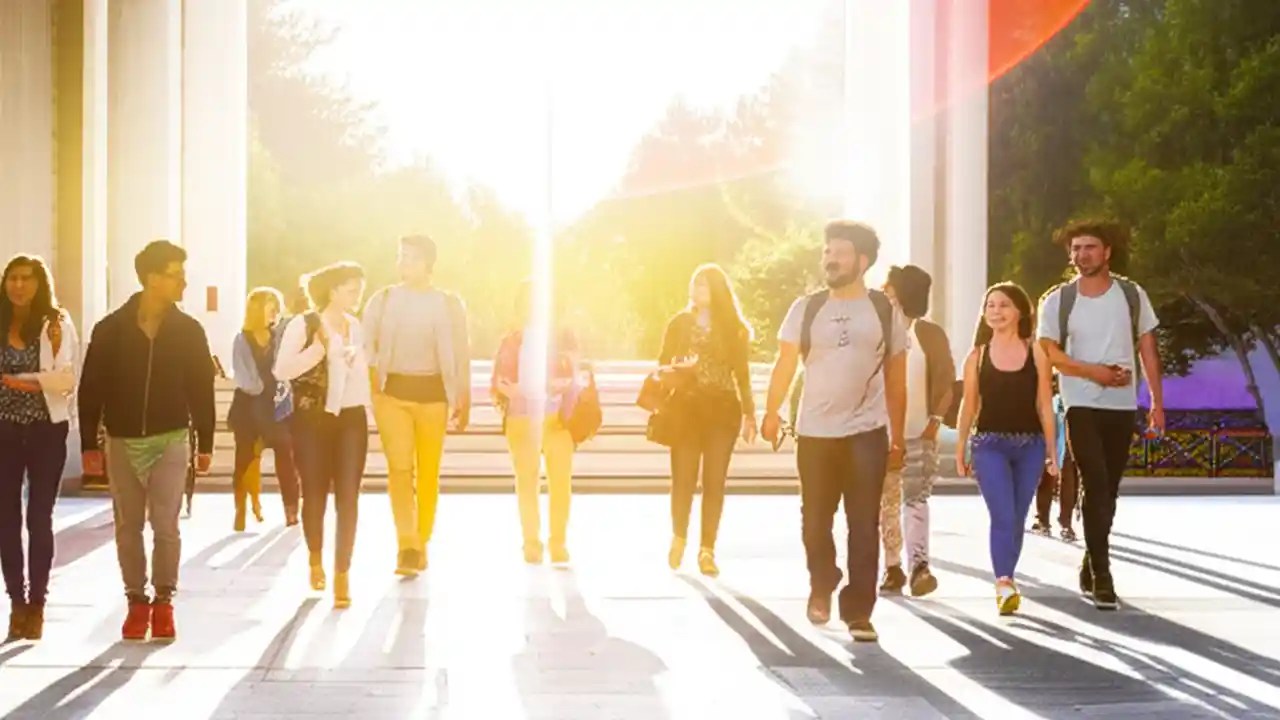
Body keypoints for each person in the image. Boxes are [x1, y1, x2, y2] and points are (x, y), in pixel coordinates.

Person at [761, 220, 908, 643]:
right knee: (815, 522)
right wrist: (771, 410)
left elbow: (897, 379)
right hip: (814, 432)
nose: (830, 258)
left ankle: (859, 610)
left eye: (840, 251)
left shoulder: (884, 310)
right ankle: (822, 581)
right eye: (827, 250)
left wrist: (897, 436)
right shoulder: (805, 308)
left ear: (862, 261)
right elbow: (786, 363)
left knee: (863, 523)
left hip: (867, 430)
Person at [79, 240, 216, 643]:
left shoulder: (189, 330)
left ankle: (165, 602)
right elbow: (92, 389)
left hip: (172, 437)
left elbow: (201, 389)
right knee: (128, 527)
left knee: (166, 525)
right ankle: (136, 601)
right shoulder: (110, 329)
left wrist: (205, 442)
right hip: (121, 441)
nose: (184, 283)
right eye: (176, 274)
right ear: (152, 278)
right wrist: (89, 442)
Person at [1037, 220, 1163, 610]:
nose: (1081, 255)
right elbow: (1051, 354)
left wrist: (1157, 402)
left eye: (1090, 247)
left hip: (1122, 404)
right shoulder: (1058, 300)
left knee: (1107, 489)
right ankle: (1103, 575)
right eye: (1076, 248)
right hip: (1080, 402)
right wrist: (1096, 373)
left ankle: (1091, 560)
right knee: (1093, 478)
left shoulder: (1130, 295)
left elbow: (1148, 349)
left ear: (1107, 252)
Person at [363, 235, 471, 576]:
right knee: (399, 469)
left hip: (434, 398)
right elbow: (366, 345)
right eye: (400, 256)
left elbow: (461, 352)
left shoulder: (448, 304)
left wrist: (464, 396)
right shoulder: (383, 300)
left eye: (410, 257)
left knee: (428, 473)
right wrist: (373, 388)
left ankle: (421, 540)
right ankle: (406, 545)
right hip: (392, 395)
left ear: (428, 263)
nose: (403, 263)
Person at [954, 282, 1058, 615]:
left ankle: (1007, 580)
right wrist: (960, 449)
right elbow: (968, 407)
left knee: (1017, 518)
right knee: (1002, 515)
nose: (995, 312)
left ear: (1019, 312)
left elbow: (1045, 404)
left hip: (1030, 446)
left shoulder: (1036, 352)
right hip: (989, 445)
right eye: (990, 306)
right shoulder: (977, 357)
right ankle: (1004, 582)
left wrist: (1052, 451)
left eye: (1003, 305)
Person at [274, 262, 371, 608]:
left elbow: (358, 374)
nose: (357, 295)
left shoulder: (355, 325)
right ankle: (316, 558)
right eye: (350, 289)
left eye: (359, 289)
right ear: (332, 291)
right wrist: (318, 348)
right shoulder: (305, 324)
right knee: (314, 494)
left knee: (349, 496)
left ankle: (343, 574)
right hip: (313, 420)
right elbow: (280, 370)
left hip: (352, 417)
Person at [655, 264, 757, 577]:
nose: (696, 290)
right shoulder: (679, 324)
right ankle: (679, 535)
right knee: (683, 478)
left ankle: (707, 550)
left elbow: (742, 373)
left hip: (722, 410)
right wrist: (680, 367)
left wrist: (749, 414)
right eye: (694, 284)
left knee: (714, 481)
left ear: (716, 291)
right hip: (686, 409)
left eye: (702, 285)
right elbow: (661, 365)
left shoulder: (732, 328)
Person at [0, 255, 79, 641]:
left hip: (47, 430)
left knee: (39, 517)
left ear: (39, 283)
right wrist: (36, 381)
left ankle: (38, 603)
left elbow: (64, 380)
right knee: (5, 519)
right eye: (12, 278)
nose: (18, 285)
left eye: (26, 279)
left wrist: (19, 382)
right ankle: (16, 600)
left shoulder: (56, 324)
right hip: (4, 432)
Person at [491, 282, 583, 564]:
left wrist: (553, 385)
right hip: (521, 418)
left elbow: (578, 377)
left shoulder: (566, 339)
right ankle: (531, 542)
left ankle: (558, 542)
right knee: (526, 480)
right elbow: (498, 379)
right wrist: (506, 389)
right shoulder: (512, 340)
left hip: (558, 419)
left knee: (560, 481)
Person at [878, 265, 953, 598]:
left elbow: (946, 378)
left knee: (916, 500)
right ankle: (892, 567)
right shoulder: (876, 331)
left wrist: (935, 420)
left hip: (919, 431)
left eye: (890, 290)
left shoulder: (928, 334)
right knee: (886, 502)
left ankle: (919, 567)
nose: (885, 295)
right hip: (878, 432)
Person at [228, 287, 300, 530]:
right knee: (244, 460)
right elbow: (245, 377)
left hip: (277, 407)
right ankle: (241, 509)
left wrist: (280, 386)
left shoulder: (280, 337)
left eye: (276, 307)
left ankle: (291, 510)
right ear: (257, 310)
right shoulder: (241, 339)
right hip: (248, 407)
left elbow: (288, 366)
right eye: (270, 306)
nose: (275, 312)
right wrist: (268, 385)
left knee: (287, 459)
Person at [1031, 383, 1078, 540]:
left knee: (1069, 481)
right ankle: (1042, 519)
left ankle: (1066, 523)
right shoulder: (1050, 397)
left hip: (1069, 445)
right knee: (1047, 479)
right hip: (1052, 441)